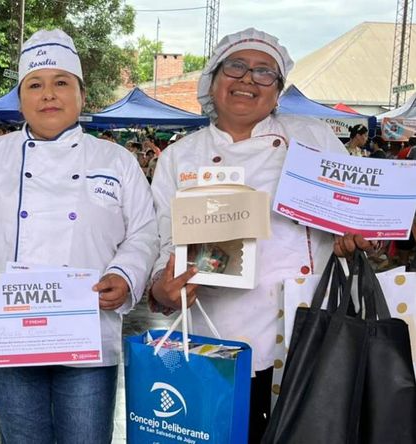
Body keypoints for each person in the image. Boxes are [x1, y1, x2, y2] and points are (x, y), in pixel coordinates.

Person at [0, 29, 158, 444]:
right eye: (35, 85)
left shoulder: (116, 160)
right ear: (20, 100)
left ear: (82, 96)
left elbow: (144, 232)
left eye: (61, 82)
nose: (48, 94)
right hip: (8, 334)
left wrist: (125, 275)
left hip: (87, 333)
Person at [147, 28, 374, 442]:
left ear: (278, 90)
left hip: (308, 328)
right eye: (236, 67)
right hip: (217, 337)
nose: (249, 79)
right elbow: (163, 244)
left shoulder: (311, 138)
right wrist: (163, 289)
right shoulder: (180, 157)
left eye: (264, 72)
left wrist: (354, 236)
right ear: (212, 81)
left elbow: (352, 209)